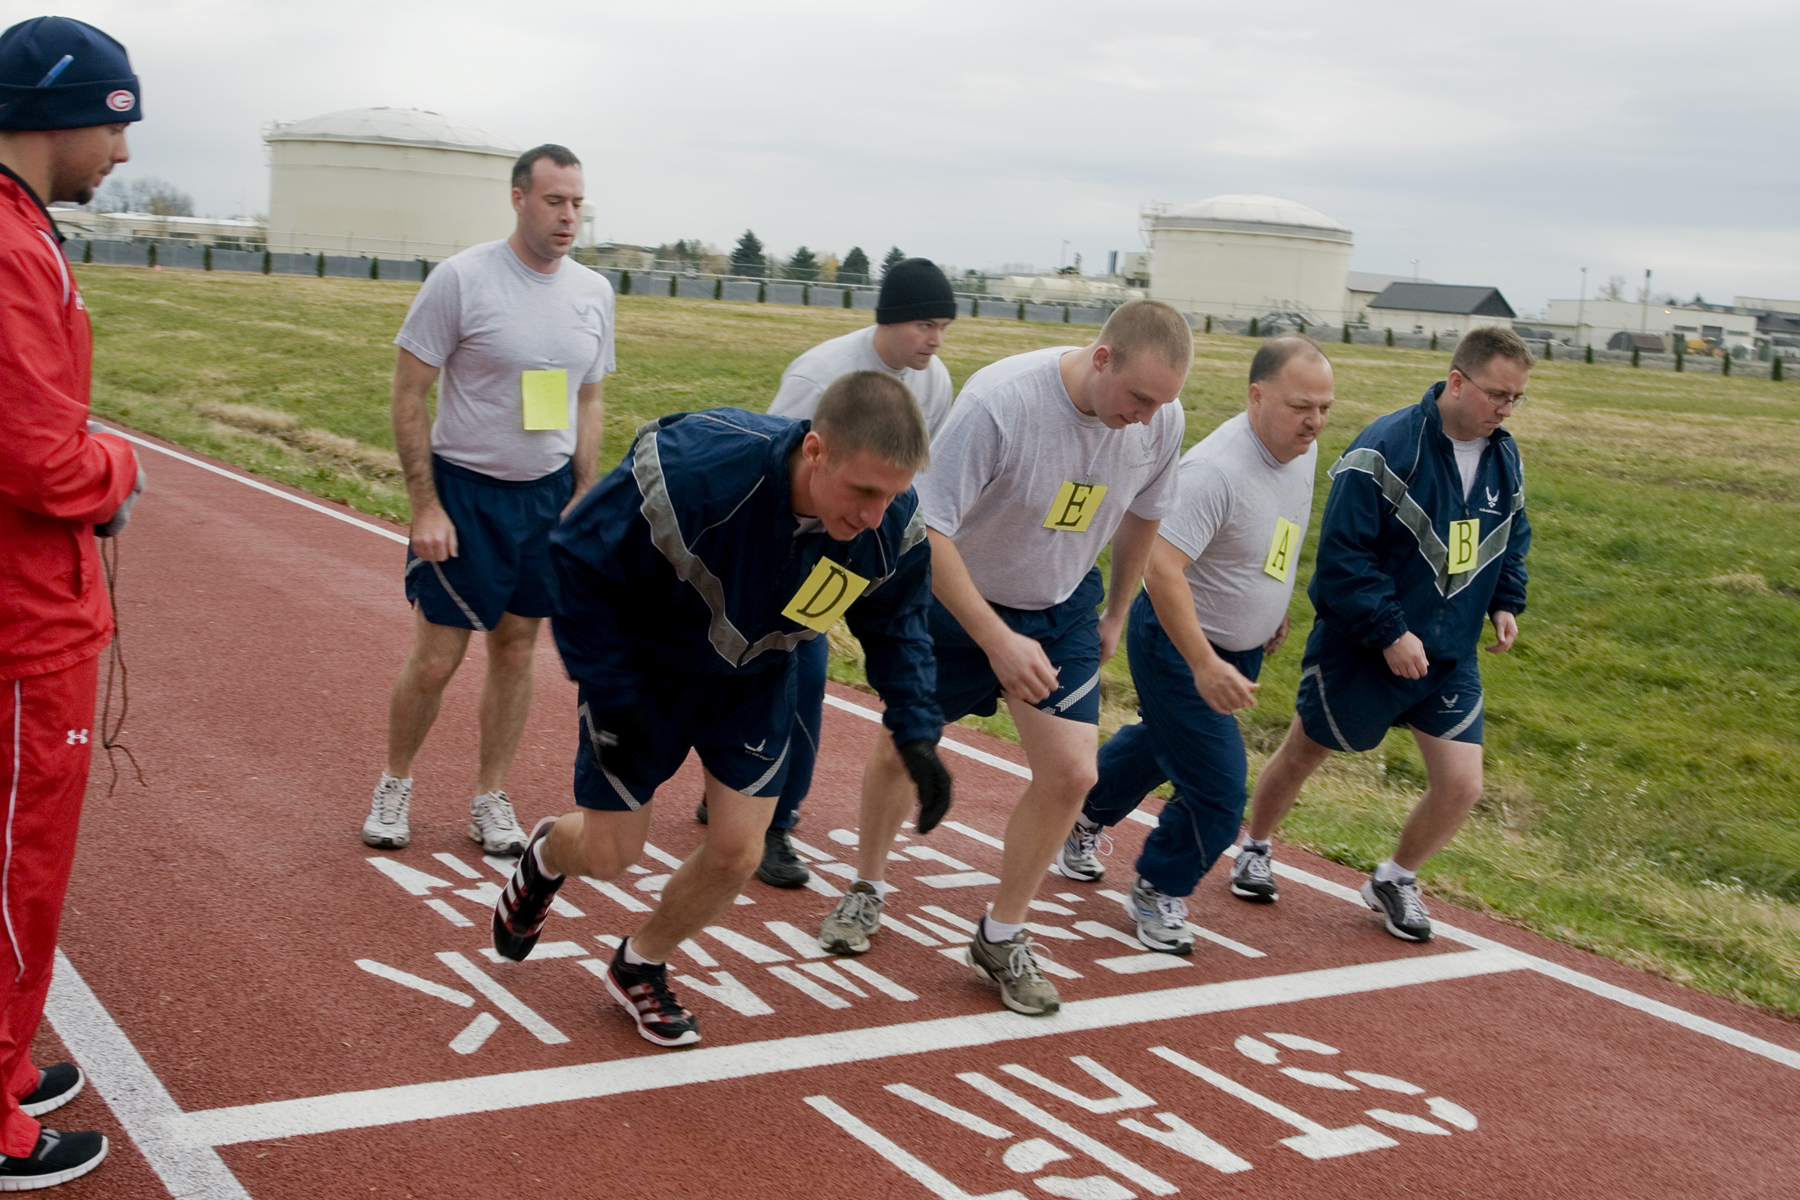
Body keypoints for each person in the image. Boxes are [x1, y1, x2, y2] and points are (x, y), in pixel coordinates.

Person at [492, 374, 951, 1048]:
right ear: (816, 450)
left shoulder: (889, 526)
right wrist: (612, 697)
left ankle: (639, 963)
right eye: (864, 492)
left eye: (893, 494)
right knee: (612, 852)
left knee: (738, 852)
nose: (875, 515)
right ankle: (546, 856)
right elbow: (577, 563)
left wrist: (916, 733)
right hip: (644, 675)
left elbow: (900, 626)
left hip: (756, 678)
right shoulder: (692, 470)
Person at [819, 299, 1192, 1017]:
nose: (1147, 418)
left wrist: (1116, 611)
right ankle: (866, 886)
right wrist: (995, 638)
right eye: (1140, 398)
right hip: (954, 600)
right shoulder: (1001, 402)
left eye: (1162, 404)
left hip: (1060, 606)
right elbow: (929, 530)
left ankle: (1000, 934)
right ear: (1102, 359)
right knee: (903, 749)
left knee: (1073, 773)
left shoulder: (1160, 419)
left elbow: (1146, 511)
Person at [1234, 326, 1532, 942]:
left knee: (1462, 784)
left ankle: (1395, 878)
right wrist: (1391, 631)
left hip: (1448, 654)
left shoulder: (1505, 458)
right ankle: (1254, 846)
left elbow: (1511, 535)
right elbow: (1343, 560)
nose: (1506, 409)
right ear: (1457, 382)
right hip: (1363, 647)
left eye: (1516, 398)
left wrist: (1506, 601)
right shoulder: (1385, 447)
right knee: (1305, 751)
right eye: (1497, 394)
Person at [359, 144, 613, 858]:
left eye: (577, 203)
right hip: (465, 495)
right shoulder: (462, 279)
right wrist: (425, 505)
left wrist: (583, 492)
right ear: (518, 198)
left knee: (516, 648)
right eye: (554, 201)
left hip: (546, 501)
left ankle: (489, 797)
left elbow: (588, 397)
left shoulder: (594, 292)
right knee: (436, 658)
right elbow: (408, 393)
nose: (568, 217)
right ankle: (395, 782)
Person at [0, 14, 147, 1188]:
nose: (125, 153)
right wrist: (120, 468)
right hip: (21, 616)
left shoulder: (24, 234)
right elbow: (41, 458)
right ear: (63, 116)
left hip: (31, 601)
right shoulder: (10, 247)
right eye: (118, 125)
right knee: (20, 866)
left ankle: (2, 1065)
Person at [1058, 338, 1334, 953]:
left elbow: (1282, 528)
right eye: (1300, 407)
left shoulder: (1301, 450)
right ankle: (1158, 887)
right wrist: (1204, 663)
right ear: (1256, 396)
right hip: (1178, 645)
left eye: (1324, 408)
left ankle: (1081, 816)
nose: (1314, 422)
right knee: (1219, 786)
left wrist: (1272, 605)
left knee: (1162, 745)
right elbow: (1162, 569)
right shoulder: (1215, 472)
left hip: (1238, 646)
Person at [710, 257, 958, 890]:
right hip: (783, 543)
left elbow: (910, 481)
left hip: (848, 547)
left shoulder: (934, 383)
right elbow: (770, 461)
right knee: (761, 667)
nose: (935, 340)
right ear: (890, 319)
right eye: (925, 325)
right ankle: (737, 789)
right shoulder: (819, 375)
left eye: (943, 327)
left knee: (804, 671)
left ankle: (775, 820)